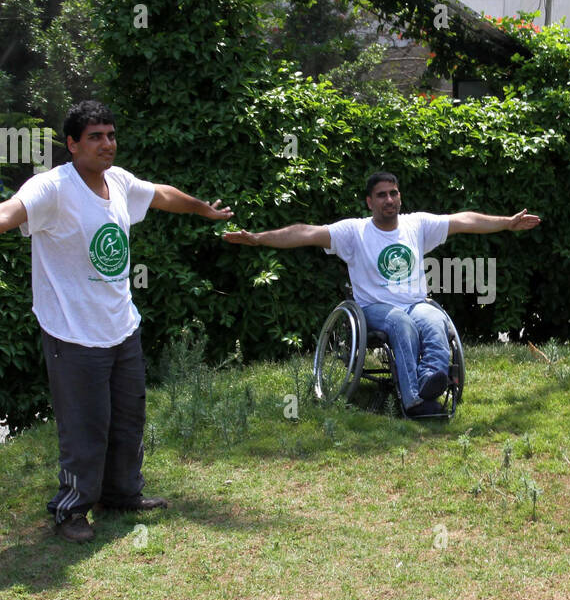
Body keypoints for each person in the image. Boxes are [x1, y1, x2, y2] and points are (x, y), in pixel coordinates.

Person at [0, 100, 232, 542]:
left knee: (127, 419)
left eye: (110, 134)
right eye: (95, 137)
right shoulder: (52, 188)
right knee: (84, 426)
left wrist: (203, 209)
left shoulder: (119, 182)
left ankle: (121, 494)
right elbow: (3, 214)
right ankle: (71, 509)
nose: (107, 144)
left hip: (121, 326)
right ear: (71, 144)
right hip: (72, 332)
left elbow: (160, 194)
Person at [224, 171, 539, 417]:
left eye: (394, 193)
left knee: (433, 318)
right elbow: (306, 232)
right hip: (373, 307)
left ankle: (431, 381)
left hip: (417, 303)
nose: (390, 199)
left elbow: (464, 219)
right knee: (400, 322)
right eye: (382, 195)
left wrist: (507, 223)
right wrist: (258, 238)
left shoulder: (417, 225)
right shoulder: (354, 232)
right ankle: (414, 402)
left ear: (400, 196)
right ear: (369, 202)